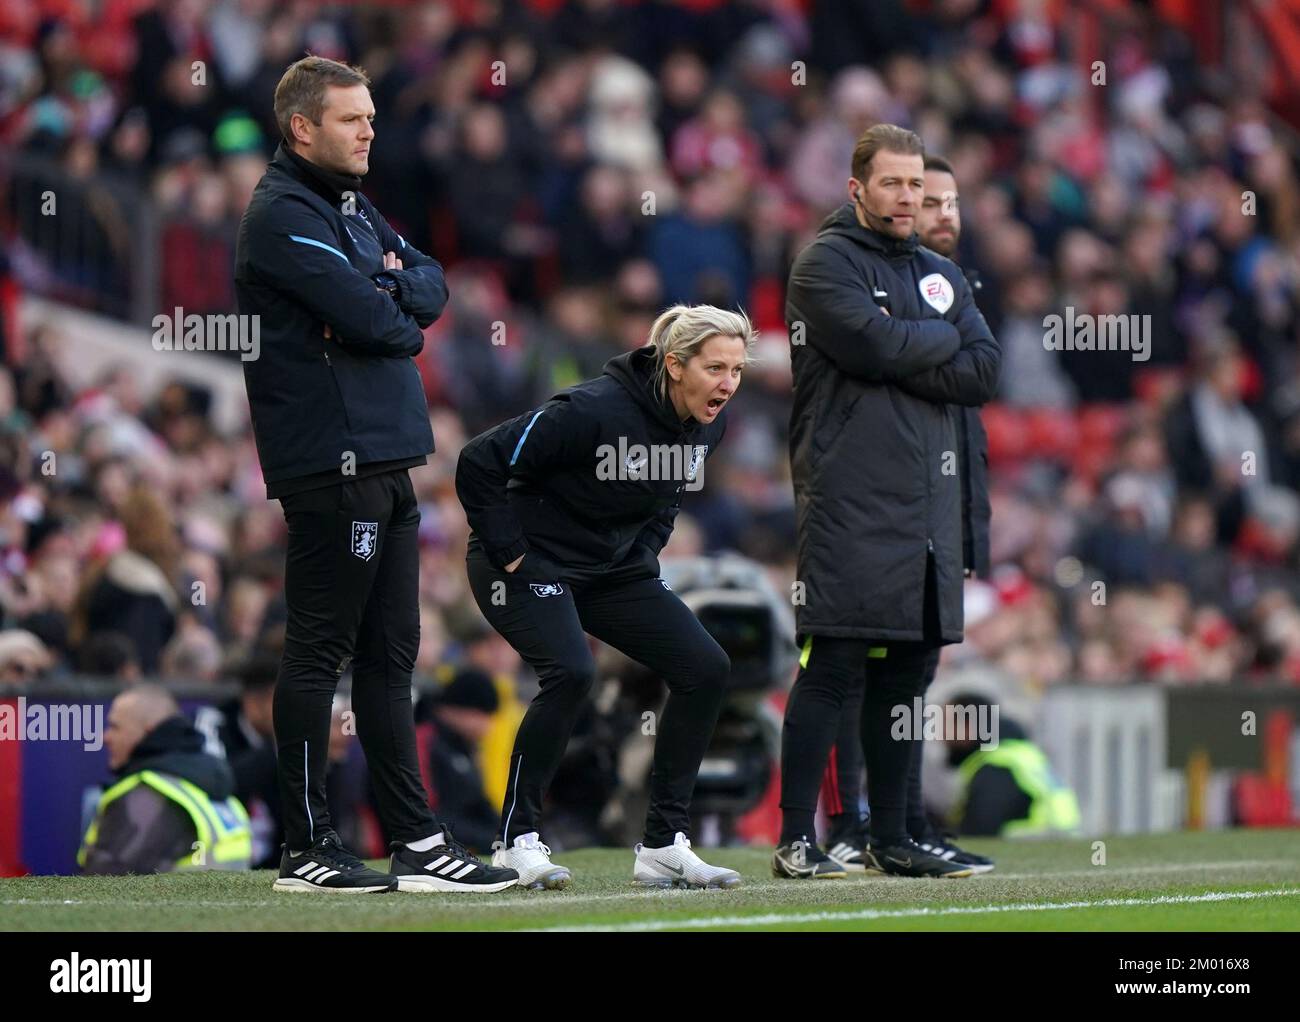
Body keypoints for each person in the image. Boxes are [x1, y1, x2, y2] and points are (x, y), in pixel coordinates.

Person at [235, 55, 516, 894]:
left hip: (387, 455)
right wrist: (390, 297)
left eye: (369, 116)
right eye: (351, 118)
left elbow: (428, 288)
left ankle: (417, 844)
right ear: (301, 128)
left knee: (393, 657)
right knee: (320, 651)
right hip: (332, 459)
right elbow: (380, 319)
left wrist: (392, 292)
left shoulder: (349, 206)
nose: (369, 130)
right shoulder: (282, 213)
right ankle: (306, 846)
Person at [456, 304, 753, 890]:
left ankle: (664, 844)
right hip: (520, 558)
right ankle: (516, 842)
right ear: (673, 365)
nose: (729, 383)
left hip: (611, 568)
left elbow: (666, 501)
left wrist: (641, 559)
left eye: (738, 370)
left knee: (707, 667)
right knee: (570, 672)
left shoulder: (708, 424)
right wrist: (514, 554)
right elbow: (478, 461)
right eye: (716, 367)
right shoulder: (592, 408)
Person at [774, 124, 1000, 880]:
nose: (908, 197)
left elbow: (983, 370)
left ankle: (895, 836)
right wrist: (929, 341)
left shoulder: (939, 271)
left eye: (916, 185)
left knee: (908, 673)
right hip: (851, 499)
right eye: (894, 183)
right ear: (857, 189)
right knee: (834, 663)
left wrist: (907, 345)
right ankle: (799, 837)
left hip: (927, 509)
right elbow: (870, 350)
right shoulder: (823, 263)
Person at [79, 685, 252, 875]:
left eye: (115, 727)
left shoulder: (148, 795)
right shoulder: (206, 780)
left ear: (148, 730)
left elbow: (104, 879)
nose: (106, 737)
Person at [944, 693, 1081, 838]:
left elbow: (979, 830)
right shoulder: (1019, 754)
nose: (942, 733)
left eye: (946, 723)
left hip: (1031, 846)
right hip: (1056, 843)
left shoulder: (997, 766)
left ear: (968, 726)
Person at [416, 668, 502, 854]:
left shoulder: (464, 745)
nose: (488, 725)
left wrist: (510, 833)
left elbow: (479, 802)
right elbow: (425, 813)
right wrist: (489, 839)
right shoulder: (424, 739)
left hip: (461, 837)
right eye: (483, 715)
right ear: (459, 710)